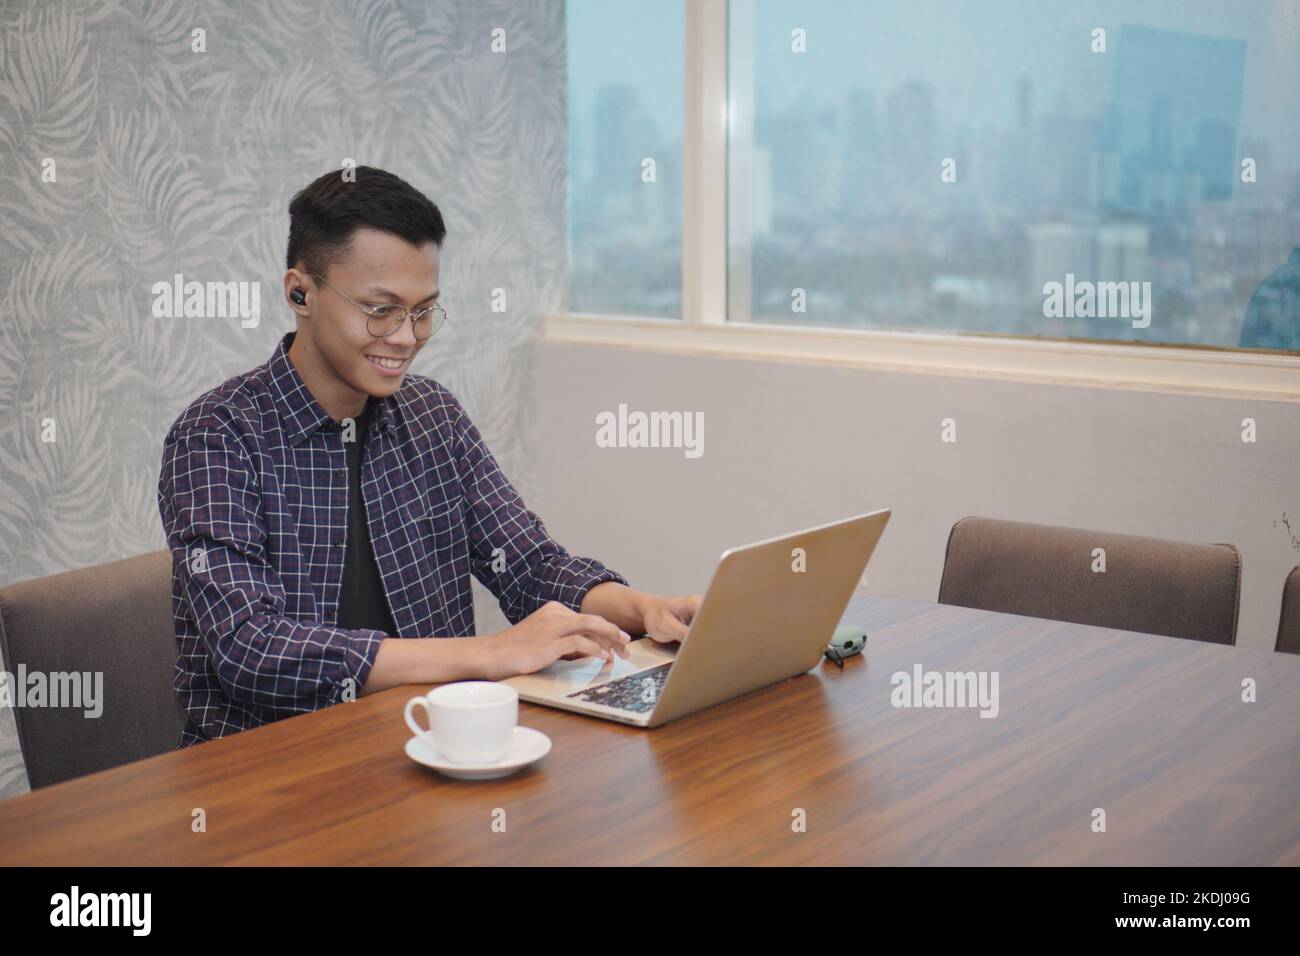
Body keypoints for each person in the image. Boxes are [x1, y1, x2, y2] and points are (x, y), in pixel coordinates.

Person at [157, 166, 701, 746]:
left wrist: (644, 609)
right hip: (269, 773)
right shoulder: (217, 435)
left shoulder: (431, 415)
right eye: (379, 309)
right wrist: (488, 654)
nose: (405, 337)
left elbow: (527, 563)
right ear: (300, 292)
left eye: (422, 311)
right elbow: (250, 647)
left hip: (429, 751)